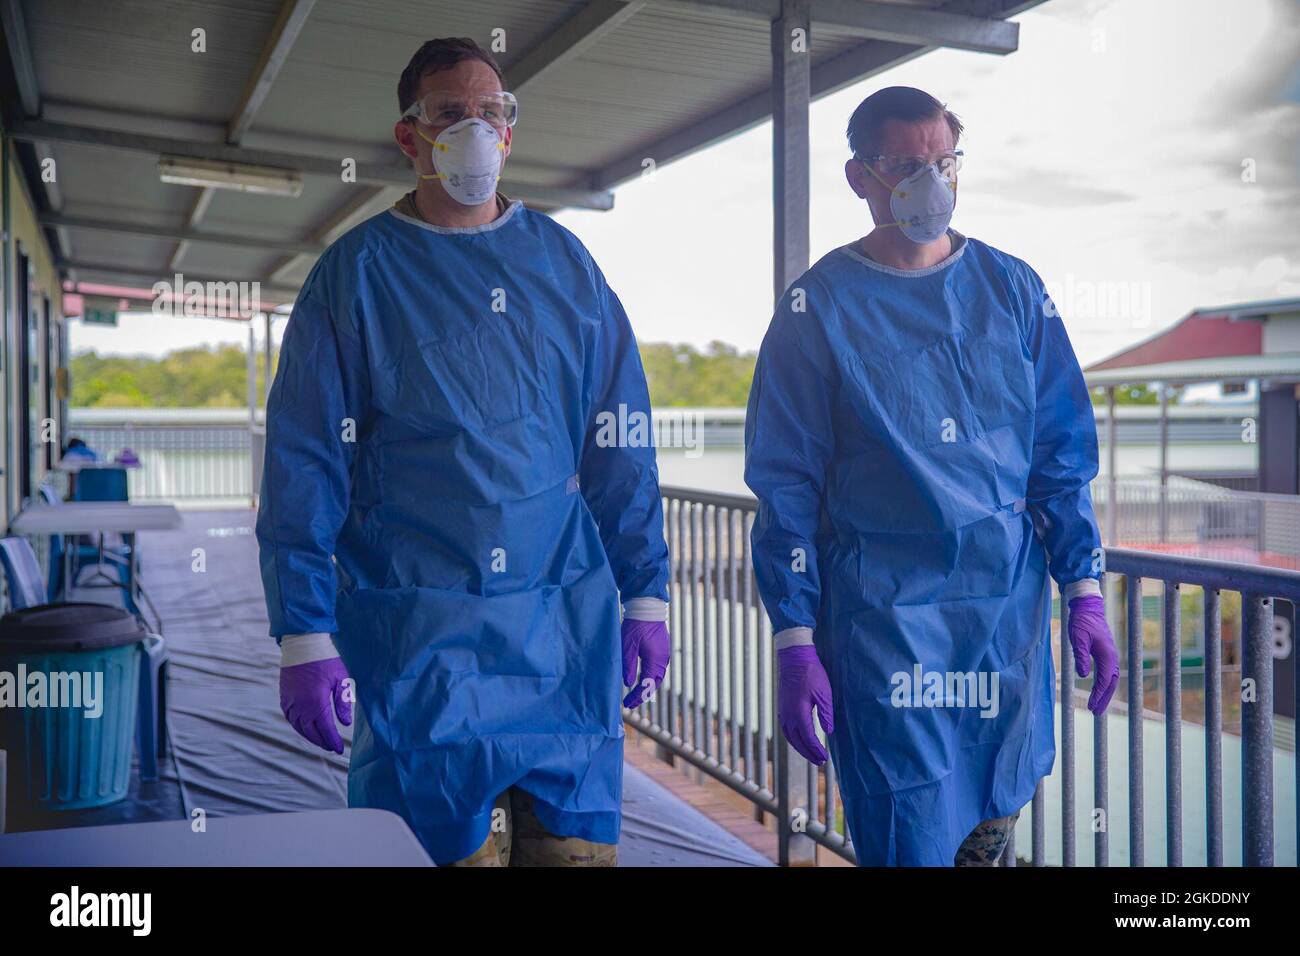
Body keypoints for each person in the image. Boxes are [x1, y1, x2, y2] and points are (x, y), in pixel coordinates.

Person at [256, 37, 671, 867]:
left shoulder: (565, 269)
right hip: (420, 630)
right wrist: (303, 633)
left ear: (512, 131)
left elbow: (619, 440)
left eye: (493, 112)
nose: (475, 128)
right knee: (440, 850)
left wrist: (647, 592)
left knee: (574, 850)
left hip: (562, 622)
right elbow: (306, 460)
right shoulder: (357, 275)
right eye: (451, 113)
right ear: (410, 138)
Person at [744, 86, 1119, 867]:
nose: (932, 181)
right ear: (860, 177)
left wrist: (1084, 590)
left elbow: (1059, 454)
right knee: (907, 839)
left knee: (989, 839)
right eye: (907, 165)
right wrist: (795, 638)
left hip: (1000, 628)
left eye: (944, 161)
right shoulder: (819, 306)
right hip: (883, 632)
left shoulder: (1011, 290)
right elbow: (787, 484)